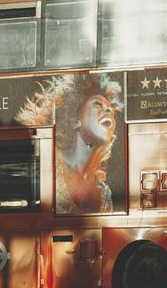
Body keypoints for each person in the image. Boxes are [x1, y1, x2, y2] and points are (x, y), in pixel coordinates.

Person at [16, 72, 124, 213]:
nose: (108, 110)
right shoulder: (48, 165)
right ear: (76, 120)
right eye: (97, 104)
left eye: (111, 110)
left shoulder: (105, 195)